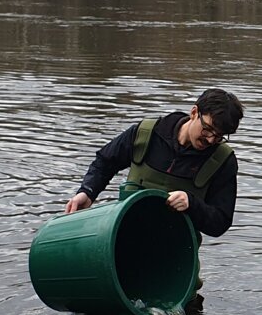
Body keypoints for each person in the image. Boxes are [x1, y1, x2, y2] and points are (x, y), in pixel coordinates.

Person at [64, 88, 244, 244]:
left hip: (175, 258)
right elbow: (105, 162)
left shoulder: (223, 161)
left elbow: (220, 222)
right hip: (120, 240)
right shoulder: (146, 133)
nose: (211, 139)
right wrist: (87, 192)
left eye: (219, 136)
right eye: (208, 129)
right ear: (194, 112)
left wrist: (192, 204)